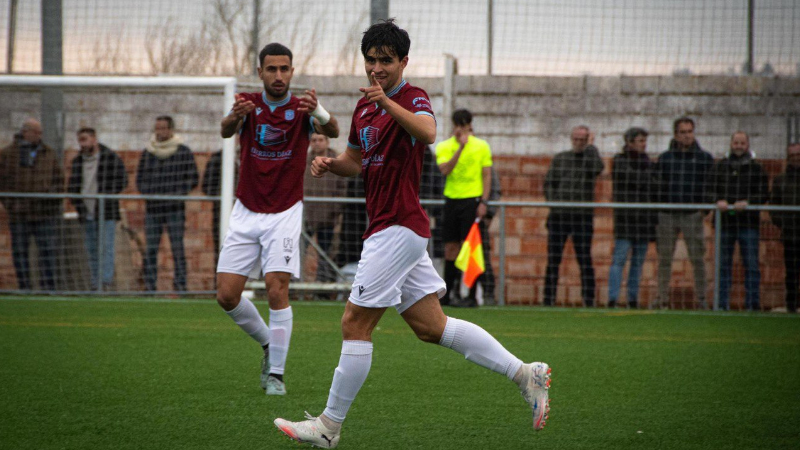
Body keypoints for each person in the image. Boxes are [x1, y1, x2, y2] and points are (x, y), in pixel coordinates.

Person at [274, 20, 551, 448]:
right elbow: (356, 160)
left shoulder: (409, 96)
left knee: (354, 322)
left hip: (399, 226)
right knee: (431, 326)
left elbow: (427, 133)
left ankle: (329, 427)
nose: (376, 68)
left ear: (404, 62)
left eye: (386, 60)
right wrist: (331, 163)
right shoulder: (364, 107)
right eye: (371, 60)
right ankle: (524, 373)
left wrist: (386, 100)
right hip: (388, 227)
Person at [216, 42, 340, 396]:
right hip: (246, 210)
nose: (279, 76)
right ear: (261, 73)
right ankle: (271, 344)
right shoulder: (248, 104)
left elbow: (332, 132)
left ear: (292, 71)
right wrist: (234, 117)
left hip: (284, 211)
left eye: (284, 69)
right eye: (272, 69)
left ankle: (277, 375)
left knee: (276, 287)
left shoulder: (302, 109)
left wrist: (321, 110)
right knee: (226, 295)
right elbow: (226, 131)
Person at [654, 117, 714, 309]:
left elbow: (711, 185)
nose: (687, 135)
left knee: (697, 258)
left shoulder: (704, 158)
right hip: (668, 214)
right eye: (683, 132)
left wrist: (703, 209)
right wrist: (661, 206)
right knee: (664, 258)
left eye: (690, 131)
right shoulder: (665, 158)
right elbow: (657, 185)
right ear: (675, 134)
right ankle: (662, 298)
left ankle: (702, 299)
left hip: (692, 214)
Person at [435, 109, 493, 307]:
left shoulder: (482, 146)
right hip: (452, 200)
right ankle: (448, 294)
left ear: (469, 125)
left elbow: (487, 175)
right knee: (450, 247)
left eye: (464, 125)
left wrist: (484, 202)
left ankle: (470, 296)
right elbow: (444, 170)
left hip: (472, 201)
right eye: (457, 125)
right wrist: (459, 149)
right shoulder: (444, 146)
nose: (460, 129)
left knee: (470, 247)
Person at [136, 115, 199, 292]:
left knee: (177, 249)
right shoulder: (148, 152)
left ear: (171, 130)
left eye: (163, 128)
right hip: (153, 209)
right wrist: (150, 194)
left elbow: (193, 177)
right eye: (157, 128)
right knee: (151, 250)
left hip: (175, 209)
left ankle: (180, 287)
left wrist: (176, 194)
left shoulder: (183, 151)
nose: (160, 132)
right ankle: (149, 287)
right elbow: (140, 179)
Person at [543, 125, 603, 307]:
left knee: (584, 259)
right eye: (576, 139)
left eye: (582, 140)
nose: (578, 143)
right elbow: (548, 184)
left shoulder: (590, 158)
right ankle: (548, 300)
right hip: (559, 216)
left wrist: (591, 148)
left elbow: (597, 169)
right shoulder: (561, 158)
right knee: (553, 259)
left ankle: (589, 300)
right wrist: (556, 204)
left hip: (582, 217)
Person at [0, 118, 64, 291]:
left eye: (40, 132)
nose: (39, 136)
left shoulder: (48, 153)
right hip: (19, 214)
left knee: (48, 252)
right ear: (25, 132)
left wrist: (53, 200)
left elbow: (59, 180)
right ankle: (24, 287)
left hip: (44, 213)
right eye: (35, 132)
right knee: (20, 252)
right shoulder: (8, 154)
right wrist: (10, 204)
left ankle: (49, 288)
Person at [709, 131, 767, 311]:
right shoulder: (720, 166)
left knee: (750, 264)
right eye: (736, 142)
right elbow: (709, 189)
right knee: (722, 265)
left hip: (748, 223)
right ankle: (721, 304)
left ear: (747, 145)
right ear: (731, 144)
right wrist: (718, 200)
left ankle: (752, 304)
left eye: (742, 143)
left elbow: (764, 193)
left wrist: (748, 202)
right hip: (725, 223)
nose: (739, 146)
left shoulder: (756, 168)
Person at [67, 127, 128, 290]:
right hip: (87, 212)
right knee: (92, 249)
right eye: (80, 140)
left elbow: (123, 180)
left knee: (106, 248)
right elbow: (73, 186)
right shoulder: (78, 161)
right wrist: (78, 204)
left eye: (85, 139)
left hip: (106, 211)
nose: (83, 143)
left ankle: (105, 282)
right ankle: (95, 283)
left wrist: (106, 195)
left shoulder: (110, 157)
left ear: (94, 139)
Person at [608, 127, 657, 309]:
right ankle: (612, 298)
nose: (644, 145)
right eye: (640, 141)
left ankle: (632, 299)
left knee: (638, 263)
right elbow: (634, 178)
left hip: (644, 220)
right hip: (625, 219)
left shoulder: (649, 163)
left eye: (645, 141)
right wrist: (645, 178)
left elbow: (654, 183)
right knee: (619, 260)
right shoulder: (620, 161)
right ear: (629, 142)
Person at [304, 133, 347, 282]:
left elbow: (342, 189)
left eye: (320, 140)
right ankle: (297, 285)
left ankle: (323, 287)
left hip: (328, 217)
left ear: (327, 142)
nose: (317, 143)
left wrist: (335, 212)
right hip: (306, 216)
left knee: (326, 255)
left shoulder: (336, 161)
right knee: (298, 252)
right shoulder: (305, 161)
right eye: (314, 140)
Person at [769, 142, 800, 313]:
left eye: (798, 154)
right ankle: (792, 306)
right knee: (791, 273)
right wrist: (784, 223)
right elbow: (774, 207)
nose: (796, 158)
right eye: (793, 155)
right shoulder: (781, 180)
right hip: (790, 234)